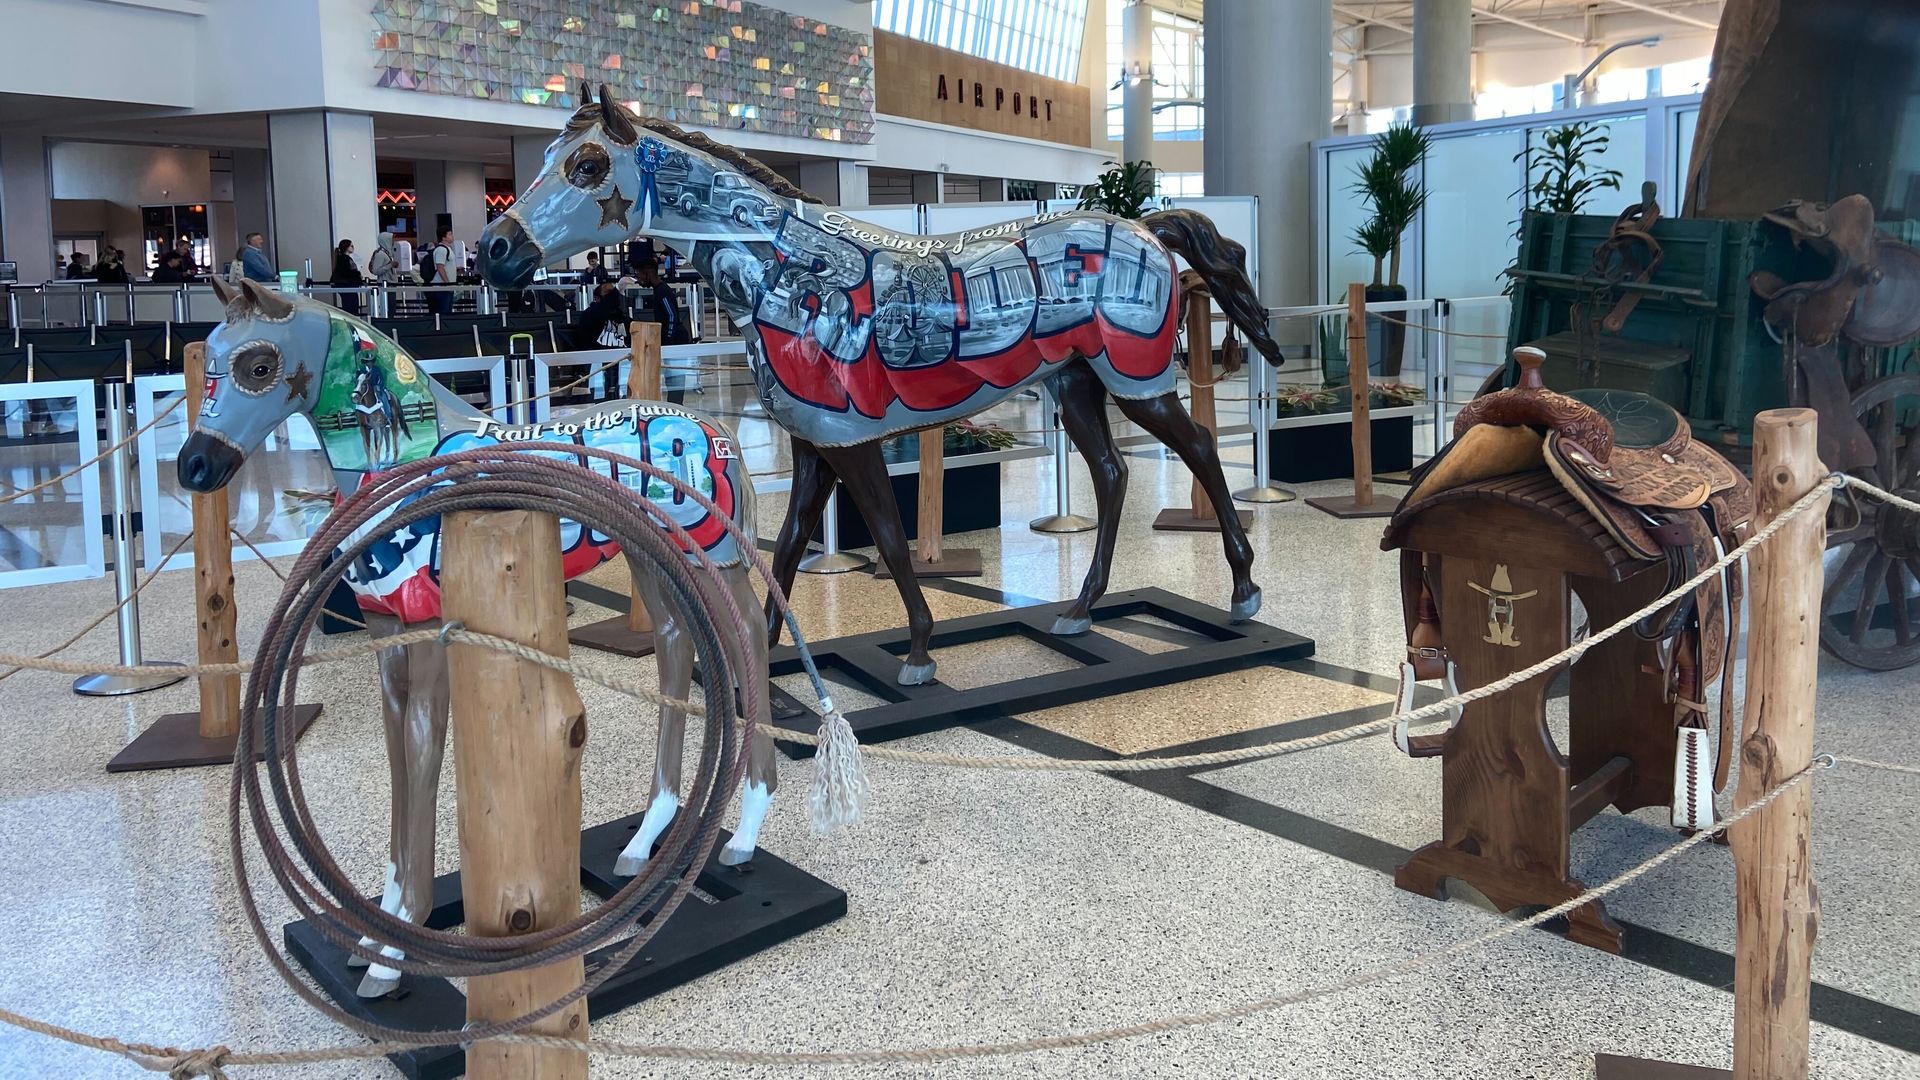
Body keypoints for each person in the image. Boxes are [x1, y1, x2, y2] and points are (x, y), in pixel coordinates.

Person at [572, 279, 631, 350]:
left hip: (625, 357)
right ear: (597, 298)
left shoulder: (622, 317)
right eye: (609, 293)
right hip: (598, 357)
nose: (613, 296)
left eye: (614, 292)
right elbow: (585, 344)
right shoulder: (589, 315)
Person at [330, 239, 365, 315]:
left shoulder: (343, 258)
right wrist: (357, 275)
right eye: (351, 246)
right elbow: (347, 272)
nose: (353, 247)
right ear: (346, 247)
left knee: (349, 304)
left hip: (346, 285)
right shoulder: (344, 259)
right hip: (347, 285)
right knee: (351, 306)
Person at [426, 226, 455, 315]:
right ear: (443, 237)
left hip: (446, 287)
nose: (452, 236)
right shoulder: (441, 250)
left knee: (446, 312)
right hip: (441, 287)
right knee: (443, 313)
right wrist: (447, 283)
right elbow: (440, 267)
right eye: (449, 234)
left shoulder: (447, 249)